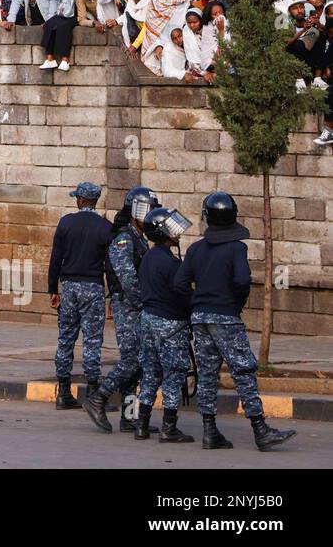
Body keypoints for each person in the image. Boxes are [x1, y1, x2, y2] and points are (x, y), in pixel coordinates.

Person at [174, 192, 296, 451]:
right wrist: (233, 303)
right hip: (226, 317)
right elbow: (242, 281)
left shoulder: (195, 249)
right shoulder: (237, 247)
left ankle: (210, 431)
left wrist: (197, 301)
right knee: (243, 370)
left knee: (207, 374)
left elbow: (180, 283)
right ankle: (260, 430)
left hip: (200, 317)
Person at [84, 186, 156, 433]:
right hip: (128, 304)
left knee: (137, 365)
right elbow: (127, 278)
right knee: (133, 359)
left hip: (135, 305)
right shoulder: (124, 238)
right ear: (138, 211)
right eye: (149, 210)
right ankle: (99, 398)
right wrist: (142, 302)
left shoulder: (138, 236)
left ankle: (129, 416)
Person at [133, 206, 195, 444]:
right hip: (170, 325)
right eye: (172, 229)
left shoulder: (149, 257)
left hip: (148, 321)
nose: (177, 233)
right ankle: (169, 427)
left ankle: (142, 424)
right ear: (162, 232)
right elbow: (181, 293)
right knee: (174, 374)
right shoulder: (170, 263)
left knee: (149, 373)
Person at [48, 181, 110, 410]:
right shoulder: (105, 227)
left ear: (81, 200)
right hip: (93, 288)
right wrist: (112, 294)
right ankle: (93, 393)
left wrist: (53, 289)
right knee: (92, 340)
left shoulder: (66, 223)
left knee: (66, 339)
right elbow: (110, 264)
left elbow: (56, 259)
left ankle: (63, 392)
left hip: (69, 286)